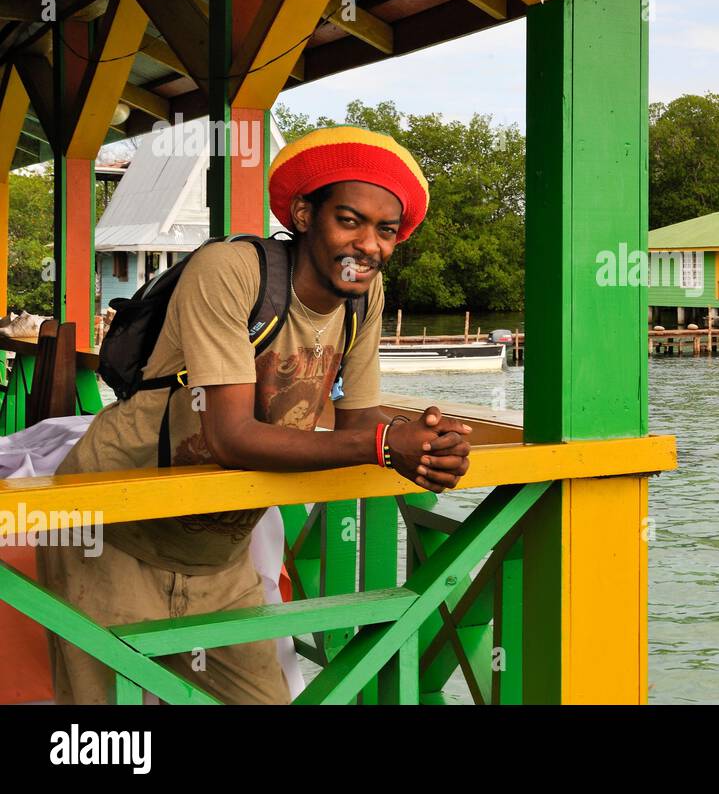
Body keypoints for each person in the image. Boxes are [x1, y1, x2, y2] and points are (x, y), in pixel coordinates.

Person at [37, 126, 471, 704]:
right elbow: (232, 437)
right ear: (303, 213)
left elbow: (359, 423)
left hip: (219, 559)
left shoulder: (365, 296)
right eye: (349, 220)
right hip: (109, 537)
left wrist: (432, 445)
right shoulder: (233, 270)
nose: (369, 245)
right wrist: (388, 446)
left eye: (386, 231)